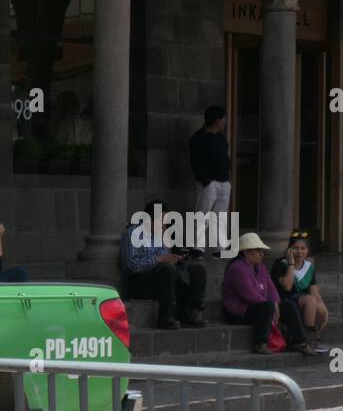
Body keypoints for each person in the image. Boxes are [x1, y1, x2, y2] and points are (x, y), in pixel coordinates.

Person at [120, 200, 206, 329]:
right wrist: (159, 259)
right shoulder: (133, 233)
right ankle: (165, 316)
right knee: (167, 269)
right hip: (141, 281)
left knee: (197, 269)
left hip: (166, 278)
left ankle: (188, 312)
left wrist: (174, 257)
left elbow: (167, 257)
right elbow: (130, 265)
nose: (165, 224)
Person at [222, 232, 311, 355]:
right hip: (240, 312)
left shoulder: (261, 267)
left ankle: (299, 342)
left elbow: (272, 289)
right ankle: (260, 343)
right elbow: (249, 294)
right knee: (267, 306)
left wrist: (276, 304)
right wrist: (272, 305)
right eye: (258, 250)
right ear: (246, 252)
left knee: (288, 305)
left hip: (262, 307)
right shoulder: (237, 269)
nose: (261, 254)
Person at [271, 231, 329, 353]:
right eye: (295, 248)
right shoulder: (280, 264)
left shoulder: (309, 267)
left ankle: (315, 339)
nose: (299, 252)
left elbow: (314, 291)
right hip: (284, 302)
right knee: (310, 300)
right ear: (289, 250)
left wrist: (323, 307)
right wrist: (291, 263)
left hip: (302, 300)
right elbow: (287, 286)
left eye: (303, 248)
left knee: (318, 307)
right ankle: (305, 340)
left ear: (308, 251)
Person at [190, 105, 231, 216]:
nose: (225, 122)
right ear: (217, 120)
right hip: (209, 183)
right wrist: (205, 181)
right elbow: (195, 161)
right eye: (224, 119)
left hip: (223, 182)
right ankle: (197, 234)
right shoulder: (198, 138)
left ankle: (216, 235)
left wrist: (227, 178)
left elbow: (224, 157)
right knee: (202, 217)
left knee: (219, 220)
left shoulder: (221, 138)